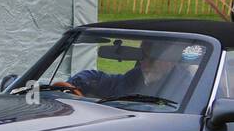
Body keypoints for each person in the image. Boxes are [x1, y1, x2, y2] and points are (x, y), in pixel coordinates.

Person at [52, 39, 186, 100]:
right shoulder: (134, 77)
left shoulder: (182, 85)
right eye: (141, 55)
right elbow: (104, 80)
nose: (142, 61)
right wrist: (78, 82)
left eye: (150, 58)